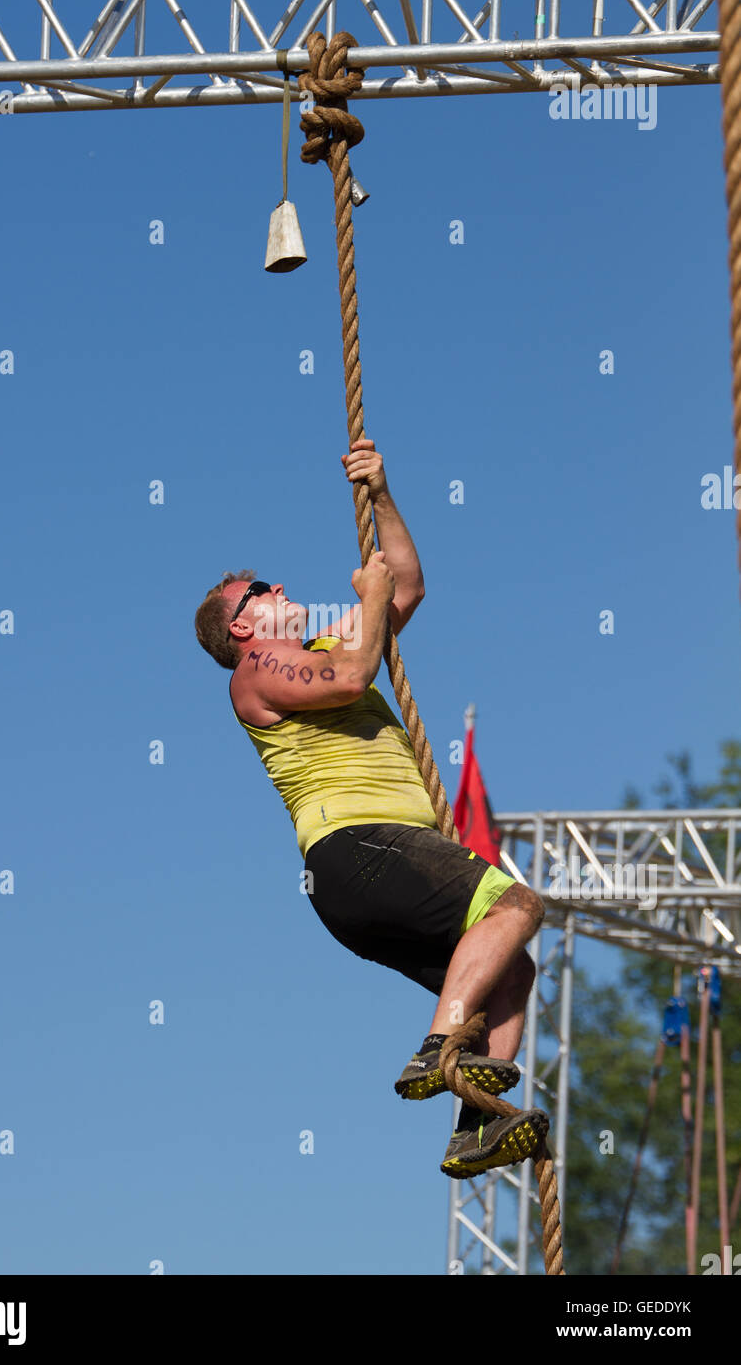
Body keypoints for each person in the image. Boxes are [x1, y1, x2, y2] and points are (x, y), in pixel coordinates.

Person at [194, 438, 548, 1178]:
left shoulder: (318, 645)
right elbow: (356, 676)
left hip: (371, 876)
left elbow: (410, 588)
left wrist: (381, 494)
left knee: (513, 972)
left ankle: (474, 1129)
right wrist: (370, 596)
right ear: (241, 626)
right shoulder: (259, 669)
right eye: (261, 588)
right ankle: (438, 1042)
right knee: (517, 904)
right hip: (359, 849)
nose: (279, 586)